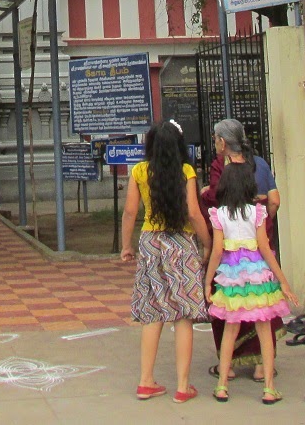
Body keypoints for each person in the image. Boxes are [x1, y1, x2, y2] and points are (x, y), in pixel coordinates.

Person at [119, 120, 211, 403]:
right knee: (183, 315)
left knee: (152, 311)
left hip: (150, 242)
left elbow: (130, 212)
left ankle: (146, 381)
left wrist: (126, 246)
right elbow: (194, 213)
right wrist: (207, 244)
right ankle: (183, 387)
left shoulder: (139, 171)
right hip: (181, 243)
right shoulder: (186, 171)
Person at [205, 162, 296, 405]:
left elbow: (216, 252)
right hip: (258, 277)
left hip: (231, 277)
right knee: (264, 330)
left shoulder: (220, 214)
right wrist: (283, 281)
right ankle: (269, 387)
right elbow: (265, 248)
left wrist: (207, 282)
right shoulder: (257, 212)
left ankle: (222, 385)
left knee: (230, 331)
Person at [200, 118, 281, 381]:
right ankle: (263, 371)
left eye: (215, 139)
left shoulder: (222, 168)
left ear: (223, 142)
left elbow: (216, 198)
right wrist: (263, 220)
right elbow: (275, 201)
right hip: (259, 249)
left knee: (229, 312)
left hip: (230, 256)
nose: (215, 144)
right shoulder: (260, 164)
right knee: (263, 309)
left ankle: (227, 371)